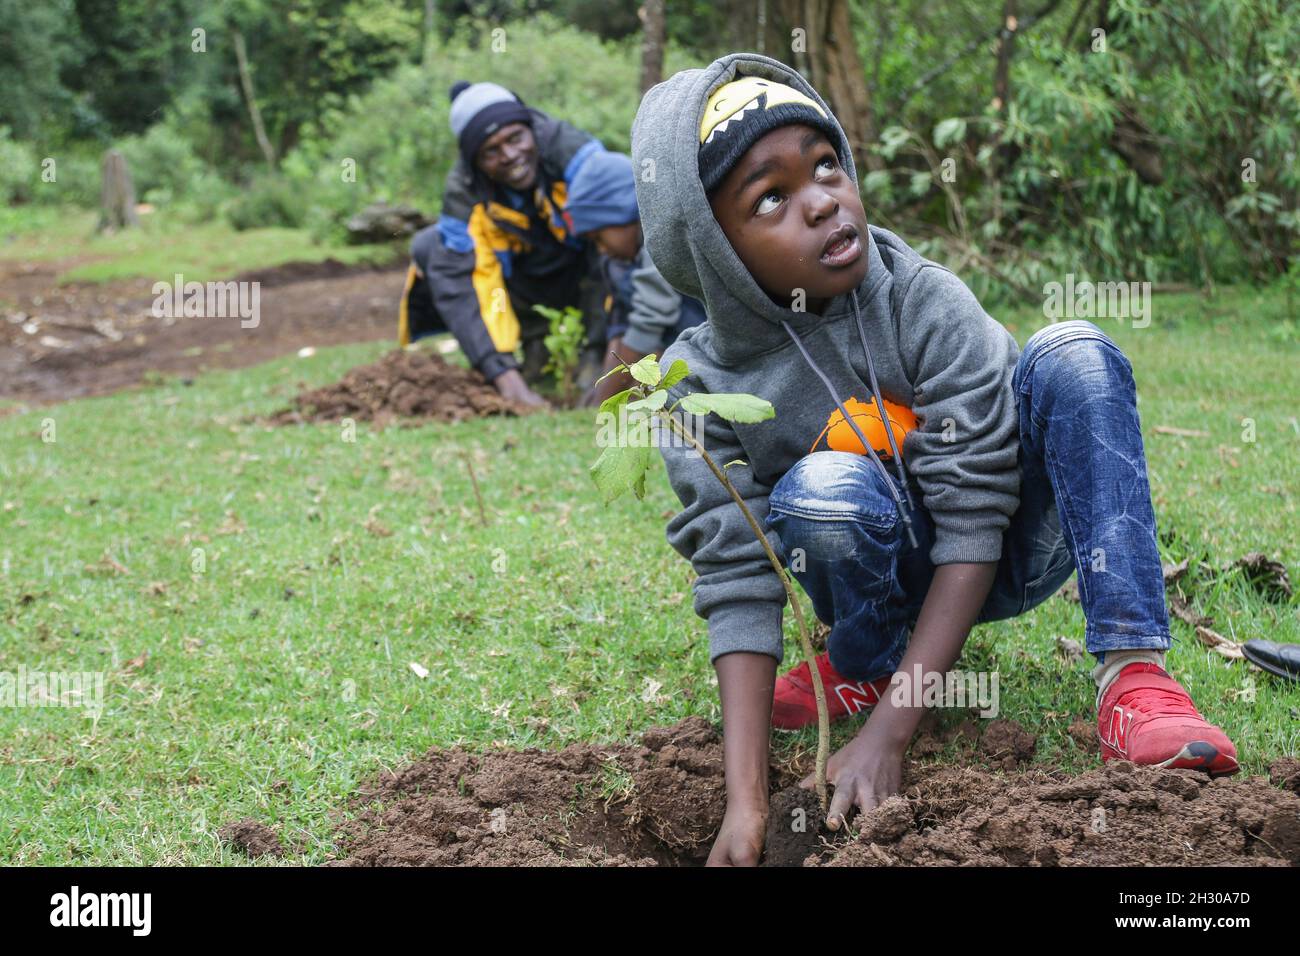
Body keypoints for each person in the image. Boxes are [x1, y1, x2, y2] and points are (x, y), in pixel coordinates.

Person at [630, 54, 1239, 867]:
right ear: (710, 250)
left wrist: (891, 735)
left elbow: (976, 511)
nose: (820, 201)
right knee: (825, 487)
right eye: (771, 197)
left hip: (1001, 547)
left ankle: (1134, 676)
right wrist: (746, 803)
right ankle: (863, 657)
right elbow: (736, 572)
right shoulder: (697, 388)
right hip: (863, 554)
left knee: (1076, 351)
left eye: (825, 165)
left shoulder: (924, 300)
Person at [399, 81, 607, 406]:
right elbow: (469, 280)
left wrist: (611, 356)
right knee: (432, 245)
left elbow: (622, 244)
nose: (510, 156)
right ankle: (532, 348)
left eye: (515, 138)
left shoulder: (575, 155)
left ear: (531, 130)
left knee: (610, 238)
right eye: (491, 151)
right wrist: (503, 376)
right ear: (475, 162)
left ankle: (595, 354)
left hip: (585, 276)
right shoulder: (464, 193)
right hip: (523, 285)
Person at [557, 150, 705, 407]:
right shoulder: (620, 261)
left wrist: (606, 402)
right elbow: (622, 323)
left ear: (623, 214)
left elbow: (650, 317)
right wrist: (604, 385)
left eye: (599, 237)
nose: (601, 249)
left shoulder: (662, 234)